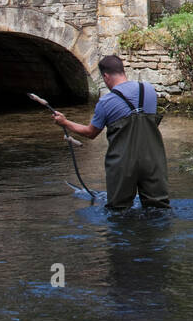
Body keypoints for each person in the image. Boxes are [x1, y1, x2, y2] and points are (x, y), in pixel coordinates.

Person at [52, 55, 170, 211]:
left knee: (119, 210)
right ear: (123, 71)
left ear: (105, 76)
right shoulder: (148, 90)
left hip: (122, 163)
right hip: (153, 159)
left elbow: (90, 133)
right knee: (158, 208)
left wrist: (65, 122)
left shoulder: (106, 102)